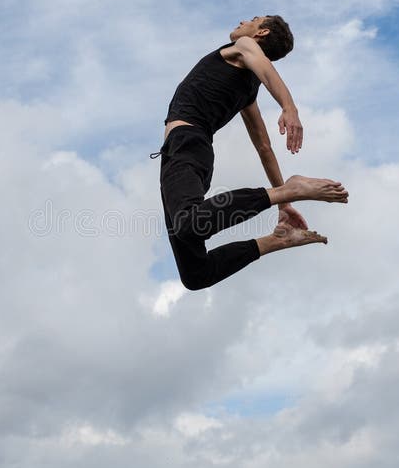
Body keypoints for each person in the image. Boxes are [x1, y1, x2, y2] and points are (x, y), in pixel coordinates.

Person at [149, 15, 348, 291]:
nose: (243, 21)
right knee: (196, 274)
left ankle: (290, 190)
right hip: (188, 153)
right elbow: (263, 147)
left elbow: (265, 68)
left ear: (261, 32)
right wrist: (283, 205)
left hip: (187, 144)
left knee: (189, 225)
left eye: (253, 20)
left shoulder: (243, 46)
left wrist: (289, 107)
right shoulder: (247, 89)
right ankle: (278, 240)